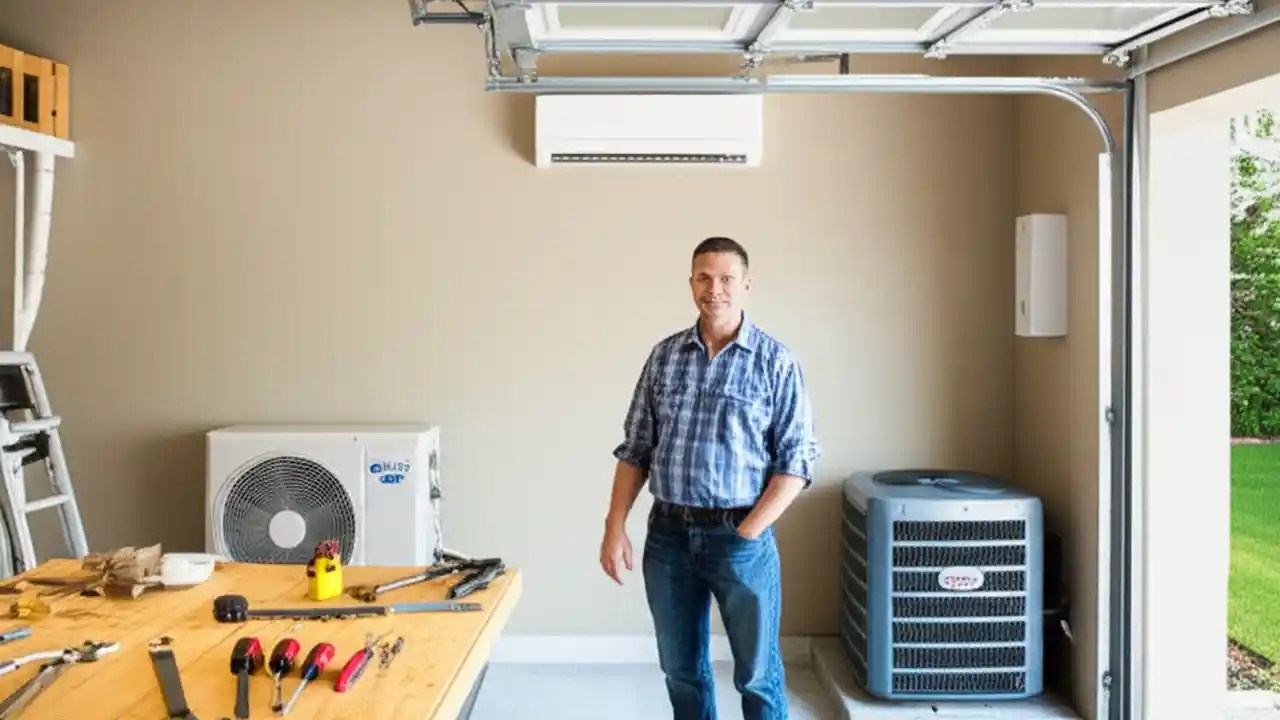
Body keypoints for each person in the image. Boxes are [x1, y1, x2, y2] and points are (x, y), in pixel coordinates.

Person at [599, 236, 820, 720]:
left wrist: (749, 531)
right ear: (691, 283)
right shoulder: (664, 356)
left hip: (741, 536)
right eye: (703, 278)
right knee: (681, 669)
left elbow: (796, 462)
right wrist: (616, 526)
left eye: (725, 279)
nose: (713, 289)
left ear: (745, 285)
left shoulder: (774, 361)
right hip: (669, 536)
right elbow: (635, 447)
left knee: (757, 674)